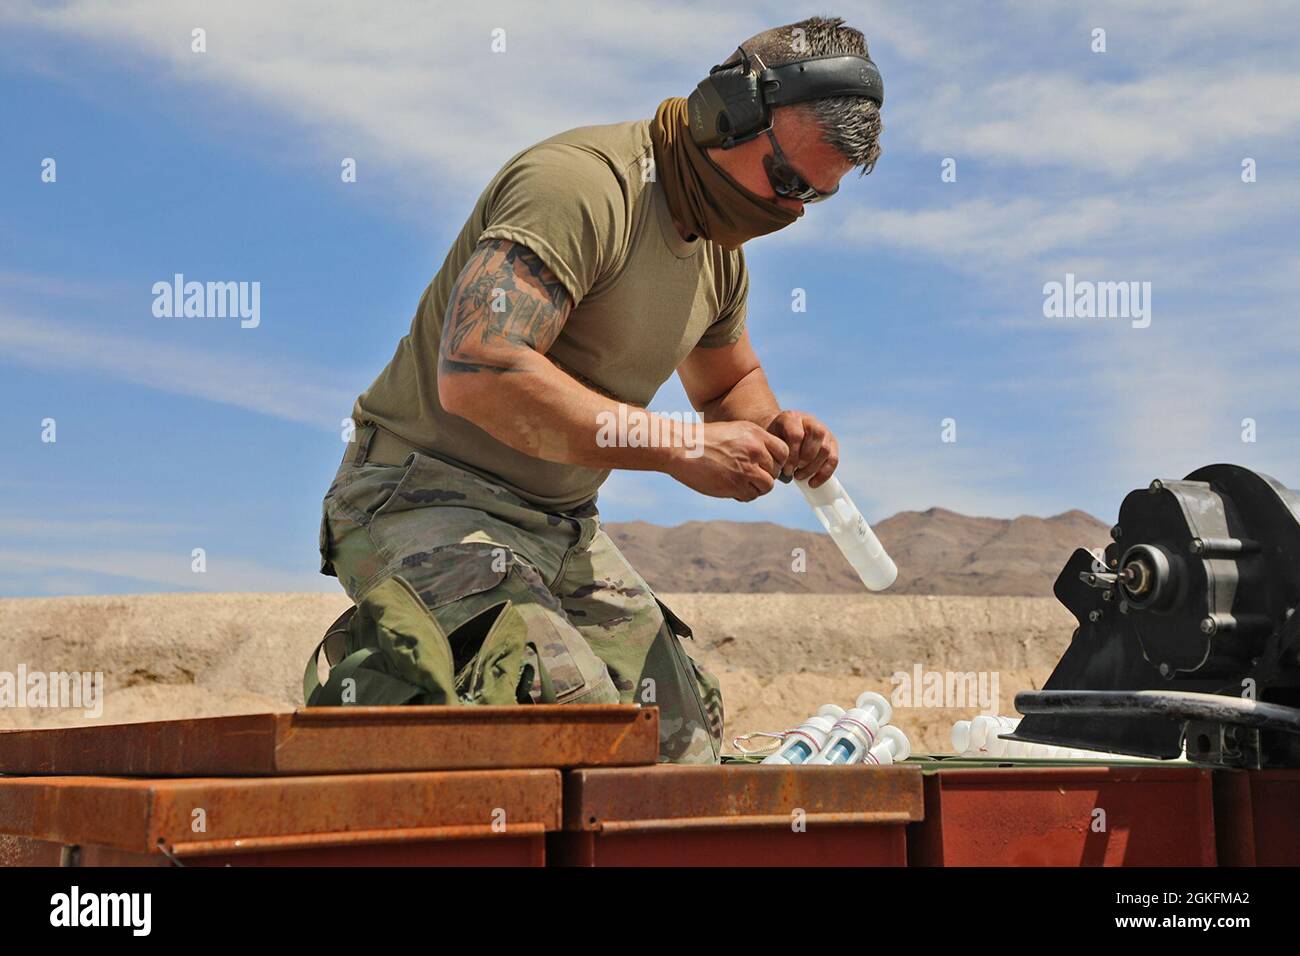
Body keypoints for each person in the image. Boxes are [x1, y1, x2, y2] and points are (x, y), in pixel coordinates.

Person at [306, 15, 884, 764]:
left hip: (557, 527)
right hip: (419, 497)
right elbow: (481, 370)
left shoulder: (715, 255)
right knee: (575, 720)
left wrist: (777, 432)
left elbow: (730, 383)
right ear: (726, 112)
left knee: (679, 744)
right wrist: (680, 446)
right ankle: (398, 684)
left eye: (815, 195)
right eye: (785, 179)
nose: (792, 210)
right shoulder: (580, 187)